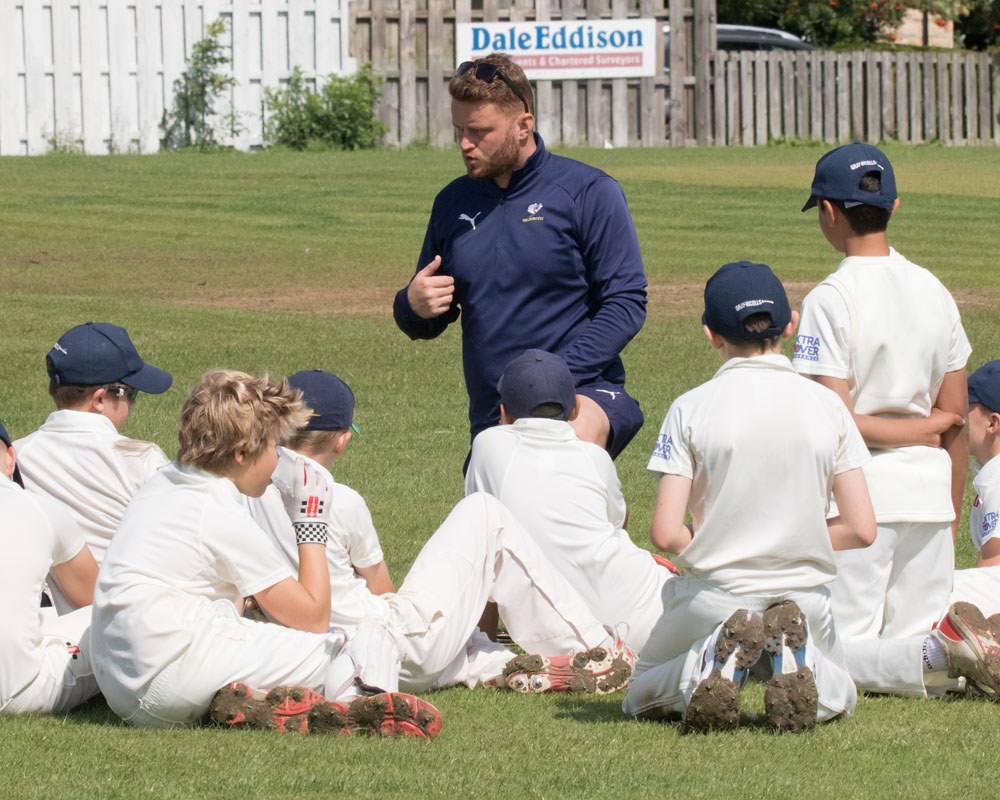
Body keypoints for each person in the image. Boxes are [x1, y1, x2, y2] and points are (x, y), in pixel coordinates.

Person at [90, 369, 442, 737]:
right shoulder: (217, 509)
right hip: (170, 677)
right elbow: (312, 618)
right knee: (362, 639)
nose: (278, 459)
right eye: (274, 446)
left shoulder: (164, 481)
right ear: (242, 452)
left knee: (250, 626)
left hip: (122, 680)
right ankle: (360, 706)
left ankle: (249, 699)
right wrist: (311, 519)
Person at [247, 369, 634, 695]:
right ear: (342, 440)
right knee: (485, 513)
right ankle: (595, 650)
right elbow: (382, 590)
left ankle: (503, 665)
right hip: (392, 647)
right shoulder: (340, 500)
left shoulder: (244, 493)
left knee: (460, 639)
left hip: (322, 655)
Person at [621, 261, 877, 733]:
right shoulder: (829, 407)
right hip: (805, 596)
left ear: (711, 335)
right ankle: (801, 663)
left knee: (639, 693)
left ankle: (706, 664)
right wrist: (795, 537)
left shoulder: (691, 407)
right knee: (840, 693)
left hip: (716, 595)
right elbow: (862, 528)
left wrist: (717, 538)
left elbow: (665, 532)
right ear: (790, 324)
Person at [393, 52, 647, 462]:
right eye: (459, 130)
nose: (465, 144)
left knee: (572, 448)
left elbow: (626, 303)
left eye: (480, 132)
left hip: (581, 392)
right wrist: (412, 305)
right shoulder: (452, 202)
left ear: (523, 125)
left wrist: (551, 381)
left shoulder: (588, 192)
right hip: (495, 415)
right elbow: (426, 317)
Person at [792, 142, 972, 694]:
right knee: (920, 648)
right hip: (928, 493)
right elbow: (955, 419)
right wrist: (949, 507)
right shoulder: (936, 291)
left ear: (828, 212)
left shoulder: (829, 298)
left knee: (832, 652)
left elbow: (830, 419)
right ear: (893, 207)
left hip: (860, 496)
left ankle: (946, 658)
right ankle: (950, 659)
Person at [464, 349, 677, 654]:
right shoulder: (595, 458)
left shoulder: (487, 445)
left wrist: (483, 646)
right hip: (650, 616)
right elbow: (619, 522)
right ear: (576, 407)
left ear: (503, 413)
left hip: (562, 637)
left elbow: (481, 551)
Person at [14, 322, 173, 592]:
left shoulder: (16, 456)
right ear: (99, 399)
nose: (132, 404)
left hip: (47, 613)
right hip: (126, 607)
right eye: (131, 393)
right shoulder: (144, 459)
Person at [1, 418, 101, 716]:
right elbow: (97, 601)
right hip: (17, 690)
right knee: (122, 614)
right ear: (10, 459)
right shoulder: (40, 508)